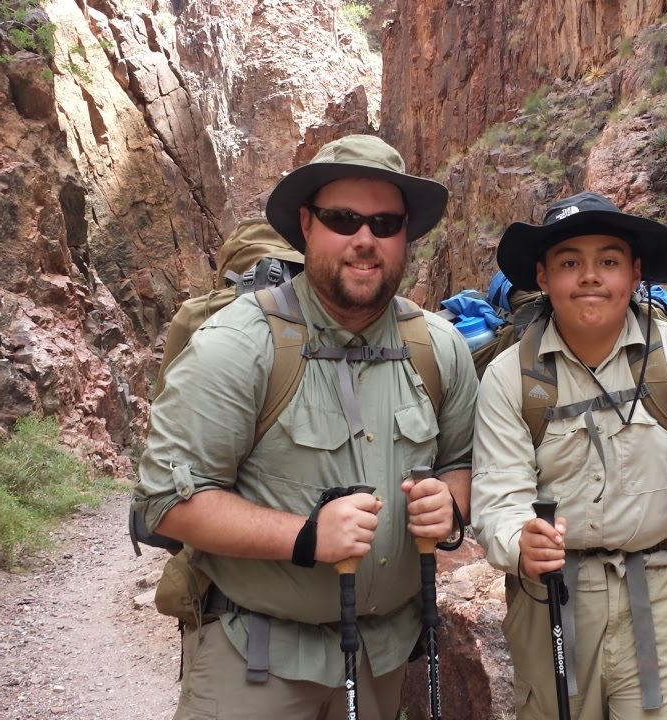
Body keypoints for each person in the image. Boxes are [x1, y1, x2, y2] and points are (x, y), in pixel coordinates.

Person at [132, 134, 479, 720]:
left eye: (385, 222)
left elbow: (464, 463)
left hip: (383, 659)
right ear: (306, 225)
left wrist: (451, 505)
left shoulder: (438, 347)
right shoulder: (239, 346)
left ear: (405, 238)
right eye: (342, 219)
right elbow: (166, 501)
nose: (365, 239)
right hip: (254, 657)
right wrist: (305, 537)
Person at [470, 191, 667, 720]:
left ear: (635, 272)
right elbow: (499, 496)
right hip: (552, 600)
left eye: (608, 261)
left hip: (662, 595)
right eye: (570, 262)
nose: (590, 276)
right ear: (544, 276)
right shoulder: (509, 378)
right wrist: (519, 542)